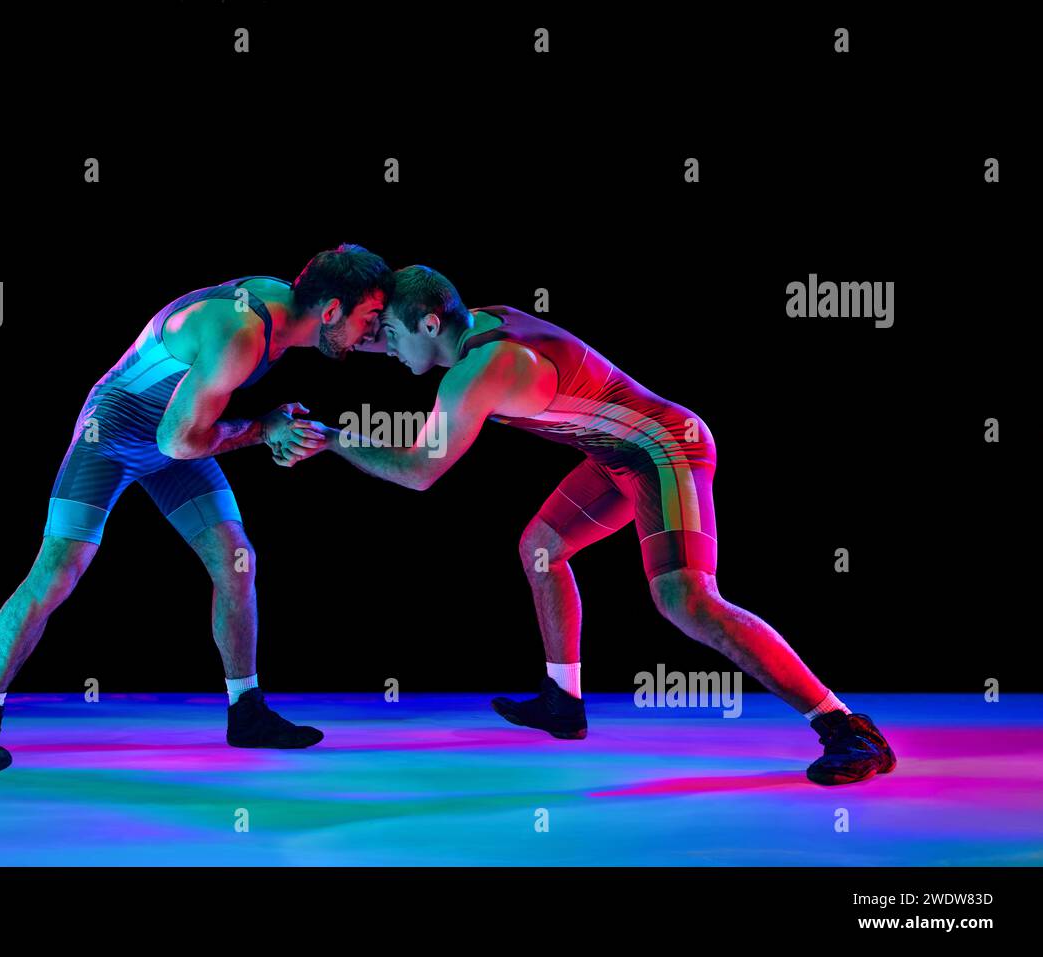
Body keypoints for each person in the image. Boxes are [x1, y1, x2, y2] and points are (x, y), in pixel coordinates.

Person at [277, 264, 897, 786]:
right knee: (542, 548)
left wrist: (331, 438)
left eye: (386, 335)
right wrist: (350, 336)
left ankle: (847, 729)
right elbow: (415, 345)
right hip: (618, 453)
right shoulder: (481, 322)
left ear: (430, 323)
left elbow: (418, 471)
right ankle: (562, 701)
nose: (381, 350)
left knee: (685, 600)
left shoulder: (481, 370)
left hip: (664, 448)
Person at [0, 245, 392, 772]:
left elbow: (182, 431)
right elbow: (178, 442)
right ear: (332, 310)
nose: (374, 333)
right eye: (371, 319)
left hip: (173, 432)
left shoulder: (286, 305)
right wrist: (263, 430)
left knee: (235, 561)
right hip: (113, 435)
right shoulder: (243, 333)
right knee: (56, 574)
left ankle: (246, 711)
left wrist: (423, 342)